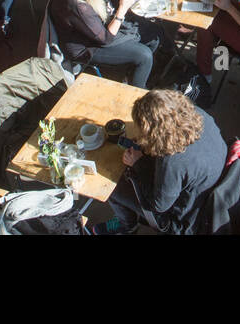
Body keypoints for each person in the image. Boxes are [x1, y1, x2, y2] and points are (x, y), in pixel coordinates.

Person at [96, 88, 227, 236]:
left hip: (182, 220)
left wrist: (138, 163)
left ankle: (126, 226)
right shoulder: (201, 115)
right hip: (206, 185)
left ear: (156, 133)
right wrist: (147, 146)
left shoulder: (172, 163)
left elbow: (158, 205)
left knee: (113, 187)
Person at [48, 0, 163, 88]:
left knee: (154, 34)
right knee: (144, 55)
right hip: (87, 47)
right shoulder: (79, 7)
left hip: (101, 26)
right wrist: (122, 8)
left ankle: (133, 74)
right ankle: (137, 91)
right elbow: (106, 39)